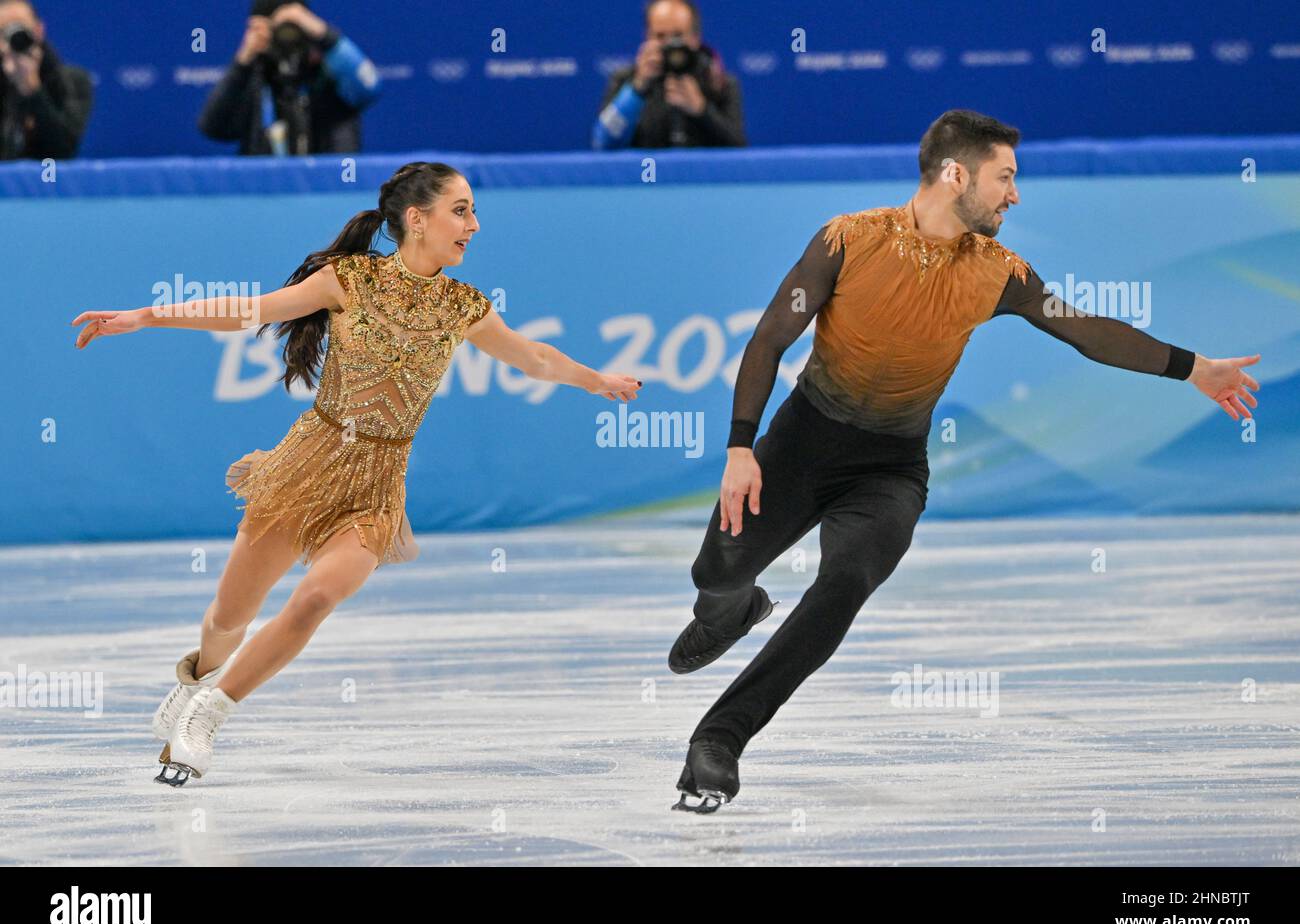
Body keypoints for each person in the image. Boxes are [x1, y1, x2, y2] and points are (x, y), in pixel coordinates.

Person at [668, 109, 1263, 812]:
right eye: (1004, 177)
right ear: (956, 174)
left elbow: (1085, 331)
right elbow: (769, 338)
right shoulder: (845, 240)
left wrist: (1193, 369)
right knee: (717, 570)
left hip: (890, 469)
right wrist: (741, 446)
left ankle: (721, 739)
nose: (1015, 194)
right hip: (800, 445)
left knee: (844, 584)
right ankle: (729, 611)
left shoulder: (1000, 273)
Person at [70, 161, 643, 786]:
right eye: (462, 210)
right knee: (228, 618)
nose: (474, 225)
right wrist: (146, 316)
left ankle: (211, 710)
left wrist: (597, 381)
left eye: (474, 212)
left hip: (377, 484)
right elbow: (251, 310)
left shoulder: (463, 306)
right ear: (416, 219)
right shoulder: (349, 279)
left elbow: (533, 356)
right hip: (307, 466)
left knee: (316, 597)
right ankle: (196, 681)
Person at [198, 0, 380, 156]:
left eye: (294, 27)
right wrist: (243, 61)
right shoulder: (253, 76)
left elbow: (369, 87)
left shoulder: (330, 70)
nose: (285, 37)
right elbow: (213, 127)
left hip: (330, 186)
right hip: (266, 189)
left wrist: (327, 37)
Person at [593, 0, 745, 150]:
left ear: (695, 38)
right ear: (647, 37)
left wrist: (701, 109)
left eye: (678, 35)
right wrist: (638, 90)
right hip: (645, 172)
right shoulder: (626, 80)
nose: (670, 45)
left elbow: (738, 148)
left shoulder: (719, 82)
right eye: (660, 36)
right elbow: (603, 143)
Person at [0, 0, 92, 160]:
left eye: (20, 27)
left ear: (39, 30)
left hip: (46, 182)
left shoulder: (73, 81)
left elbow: (61, 151)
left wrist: (31, 88)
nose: (13, 36)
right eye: (3, 30)